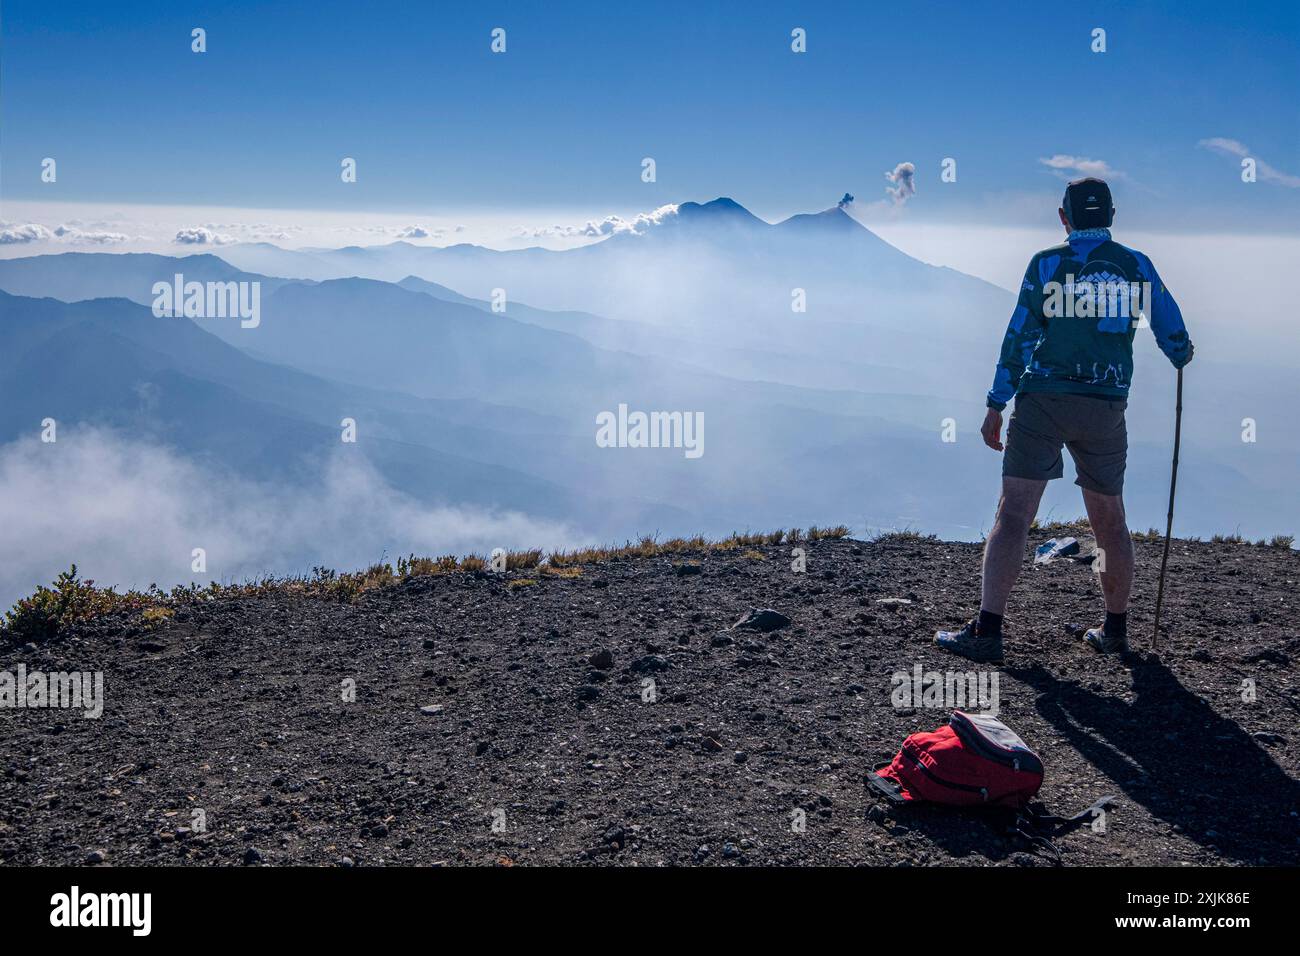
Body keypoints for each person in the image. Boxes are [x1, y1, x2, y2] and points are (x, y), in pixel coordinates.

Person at [935, 177, 1194, 662]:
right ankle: (1114, 630)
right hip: (1106, 404)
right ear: (1111, 217)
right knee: (1110, 522)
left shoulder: (1047, 265)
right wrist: (1179, 352)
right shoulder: (1137, 266)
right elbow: (1173, 332)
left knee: (1014, 514)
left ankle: (988, 631)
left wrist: (996, 402)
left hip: (1043, 401)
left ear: (1064, 217)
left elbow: (1020, 337)